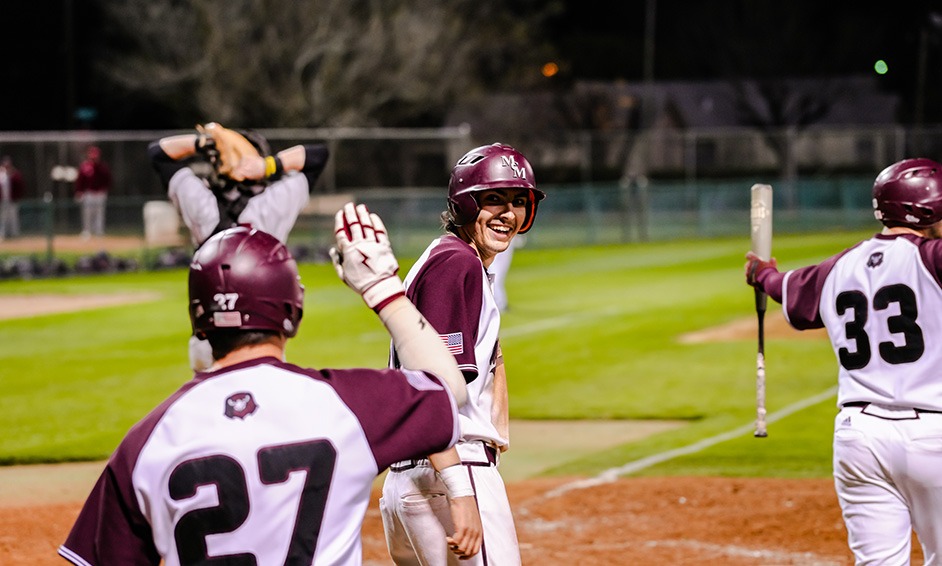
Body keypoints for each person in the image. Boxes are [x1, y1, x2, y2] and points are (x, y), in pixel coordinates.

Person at [58, 204, 477, 565]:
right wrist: (382, 289)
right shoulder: (346, 406)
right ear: (291, 312)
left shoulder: (146, 440)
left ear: (198, 317)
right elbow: (447, 386)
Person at [745, 157, 942, 565]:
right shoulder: (934, 258)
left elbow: (787, 290)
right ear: (927, 211)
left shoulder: (838, 267)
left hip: (858, 439)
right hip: (933, 437)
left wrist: (761, 274)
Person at [380, 143, 545, 565]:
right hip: (450, 468)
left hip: (417, 474)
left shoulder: (447, 257)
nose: (508, 213)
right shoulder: (457, 264)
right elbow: (433, 387)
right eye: (493, 199)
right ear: (465, 203)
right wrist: (459, 490)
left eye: (518, 201)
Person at [148, 124, 330, 371]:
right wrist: (269, 165)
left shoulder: (201, 200)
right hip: (263, 333)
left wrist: (203, 143)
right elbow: (318, 156)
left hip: (208, 334)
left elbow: (158, 153)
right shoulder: (276, 200)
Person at [74, 145, 112, 239]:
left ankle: (99, 231)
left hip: (100, 193)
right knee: (87, 213)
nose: (94, 158)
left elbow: (108, 180)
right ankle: (87, 231)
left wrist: (105, 190)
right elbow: (80, 181)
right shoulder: (85, 166)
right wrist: (79, 191)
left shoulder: (103, 167)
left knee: (99, 214)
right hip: (88, 193)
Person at [489, 234, 525, 312]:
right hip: (491, 240)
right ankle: (498, 303)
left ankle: (500, 303)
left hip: (507, 240)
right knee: (494, 274)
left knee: (499, 275)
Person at [0, 155, 25, 239]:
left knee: (14, 218)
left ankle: (14, 234)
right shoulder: (1, 175)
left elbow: (19, 185)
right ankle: (3, 234)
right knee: (4, 217)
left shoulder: (14, 175)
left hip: (12, 200)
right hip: (3, 200)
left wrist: (17, 197)